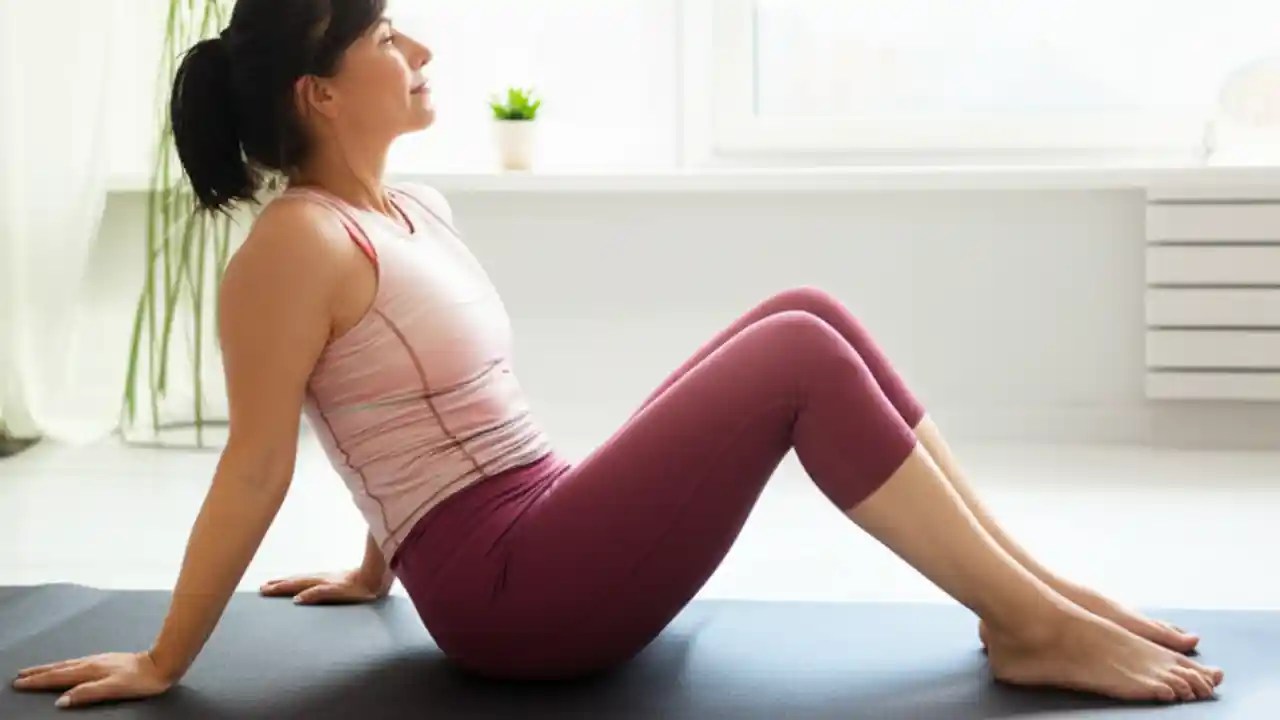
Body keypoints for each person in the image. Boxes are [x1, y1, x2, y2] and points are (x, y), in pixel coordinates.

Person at [12, 0, 1224, 710]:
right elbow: (258, 460)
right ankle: (1027, 626)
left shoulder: (413, 209)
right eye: (386, 34)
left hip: (531, 525)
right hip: (510, 597)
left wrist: (374, 564)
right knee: (797, 351)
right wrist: (167, 658)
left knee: (802, 307)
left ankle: (1039, 601)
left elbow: (400, 403)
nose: (419, 49)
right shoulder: (291, 244)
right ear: (316, 93)